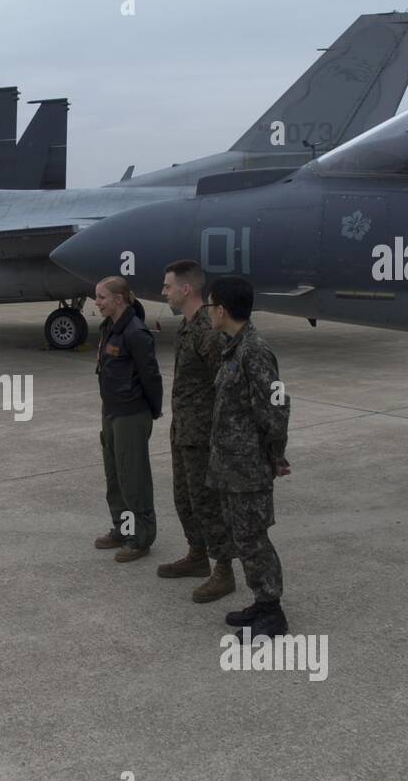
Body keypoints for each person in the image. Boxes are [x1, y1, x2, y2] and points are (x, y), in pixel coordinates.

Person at [205, 275, 292, 638]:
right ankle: (261, 601)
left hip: (248, 468)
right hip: (231, 467)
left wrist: (274, 455)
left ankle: (273, 613)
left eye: (211, 306)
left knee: (254, 538)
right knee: (243, 537)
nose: (209, 313)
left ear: (222, 310)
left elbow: (276, 406)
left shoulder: (253, 350)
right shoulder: (235, 347)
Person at [155, 261, 239, 601]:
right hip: (184, 432)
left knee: (208, 503)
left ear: (185, 289)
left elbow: (226, 383)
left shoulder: (207, 329)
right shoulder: (188, 326)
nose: (164, 292)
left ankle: (224, 571)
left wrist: (220, 434)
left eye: (167, 286)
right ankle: (197, 555)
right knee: (185, 498)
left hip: (203, 436)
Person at [92, 276, 163, 562]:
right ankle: (123, 528)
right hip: (110, 411)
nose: (96, 302)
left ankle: (141, 538)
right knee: (114, 474)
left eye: (101, 297)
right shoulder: (109, 327)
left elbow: (151, 376)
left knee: (133, 477)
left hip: (131, 413)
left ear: (118, 299)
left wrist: (153, 409)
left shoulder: (135, 332)